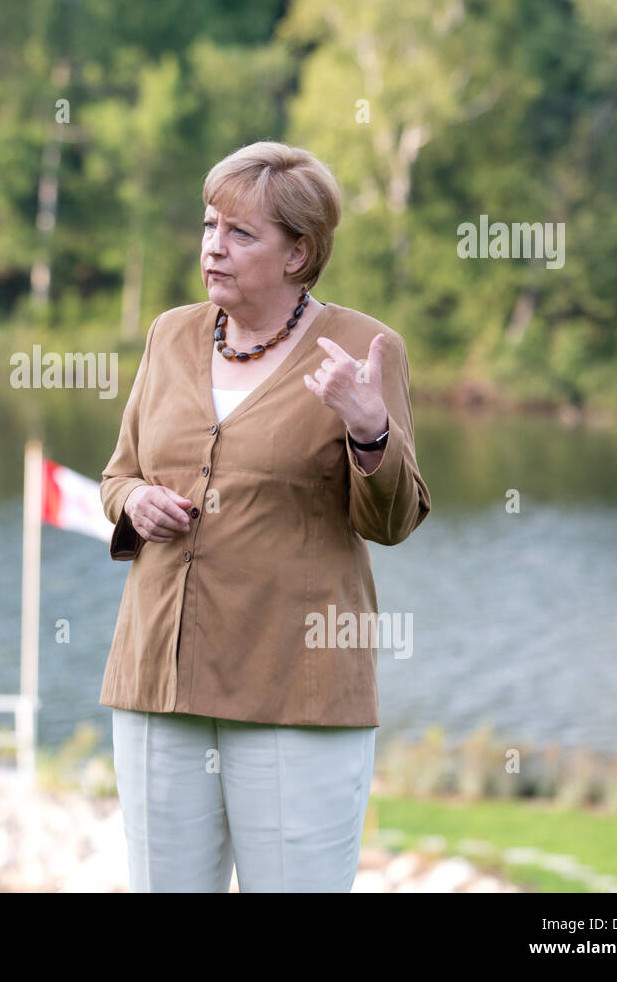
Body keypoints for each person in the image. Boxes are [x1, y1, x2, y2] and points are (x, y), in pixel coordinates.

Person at [99, 140, 431, 892]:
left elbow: (393, 520)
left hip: (296, 693)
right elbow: (119, 473)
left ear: (298, 253)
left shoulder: (363, 348)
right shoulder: (170, 334)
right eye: (211, 224)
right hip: (159, 680)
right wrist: (135, 501)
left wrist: (370, 429)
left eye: (240, 233)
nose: (214, 246)